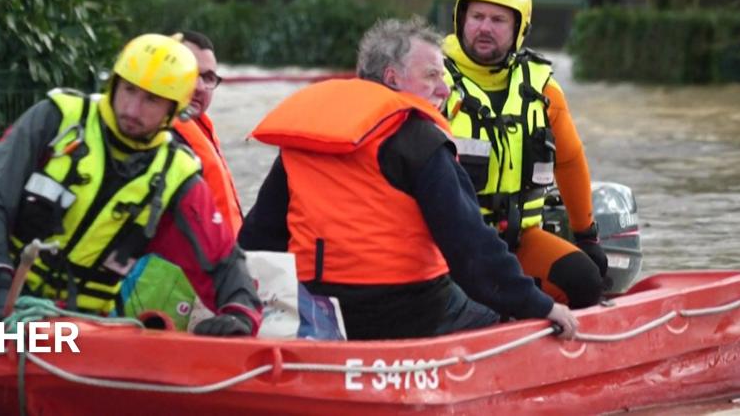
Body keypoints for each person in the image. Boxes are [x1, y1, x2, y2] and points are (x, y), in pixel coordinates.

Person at [0, 34, 262, 416]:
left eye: (150, 100)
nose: (133, 109)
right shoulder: (55, 119)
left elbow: (222, 259)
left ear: (172, 109)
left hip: (86, 318)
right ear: (114, 85)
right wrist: (0, 288)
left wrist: (240, 314)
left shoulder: (178, 174)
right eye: (128, 91)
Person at [238, 18, 577, 341]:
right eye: (431, 75)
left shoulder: (309, 135)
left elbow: (257, 236)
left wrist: (234, 299)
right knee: (494, 312)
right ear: (392, 78)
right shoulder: (419, 140)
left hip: (320, 304)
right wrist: (539, 305)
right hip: (408, 309)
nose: (444, 90)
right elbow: (470, 246)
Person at [442, 0, 606, 309]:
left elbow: (570, 160)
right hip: (448, 244)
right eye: (477, 16)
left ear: (520, 30)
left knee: (585, 280)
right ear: (461, 20)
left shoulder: (542, 88)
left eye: (499, 20)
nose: (485, 27)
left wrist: (586, 235)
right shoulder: (432, 83)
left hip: (518, 238)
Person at [171, 31, 244, 234]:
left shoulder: (199, 128)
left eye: (209, 77)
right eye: (190, 73)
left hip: (223, 258)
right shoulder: (154, 138)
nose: (200, 86)